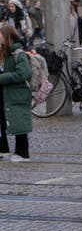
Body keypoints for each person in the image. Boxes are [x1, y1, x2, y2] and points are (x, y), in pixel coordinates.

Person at [0, 22, 33, 162]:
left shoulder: (19, 54)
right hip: (5, 93)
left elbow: (24, 73)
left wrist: (1, 78)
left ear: (7, 36)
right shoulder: (3, 52)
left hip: (17, 94)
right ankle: (3, 149)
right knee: (1, 120)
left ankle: (22, 152)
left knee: (19, 121)